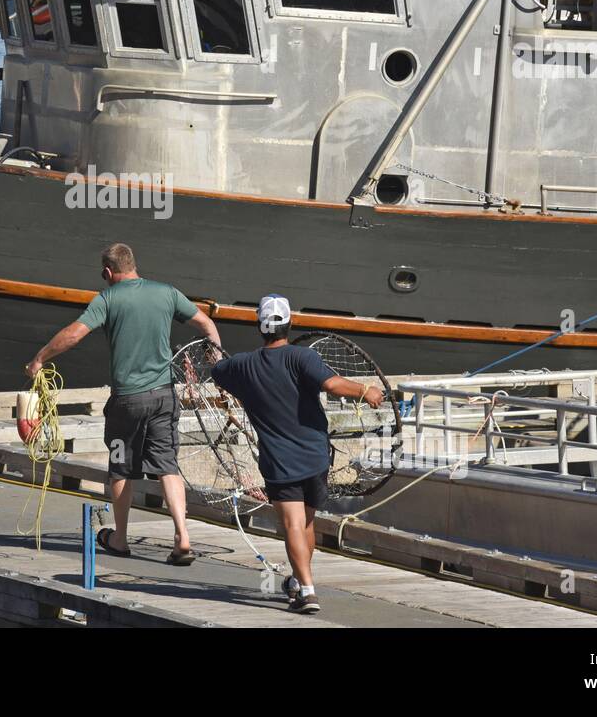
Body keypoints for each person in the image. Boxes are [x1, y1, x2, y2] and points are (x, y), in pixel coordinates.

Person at [26, 242, 220, 565]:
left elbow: (74, 334)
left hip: (127, 402)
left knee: (120, 469)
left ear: (107, 272)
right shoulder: (167, 293)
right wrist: (214, 357)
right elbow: (207, 325)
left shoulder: (108, 298)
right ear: (133, 265)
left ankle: (119, 538)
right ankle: (182, 536)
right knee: (167, 466)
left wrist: (40, 358)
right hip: (163, 397)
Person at [210, 294, 384, 614]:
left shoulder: (241, 365)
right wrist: (365, 390)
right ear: (290, 324)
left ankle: (306, 590)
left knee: (292, 524)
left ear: (259, 328)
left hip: (279, 461)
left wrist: (210, 343)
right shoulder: (302, 357)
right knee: (305, 525)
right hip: (316, 455)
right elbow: (332, 384)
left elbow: (217, 369)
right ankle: (300, 582)